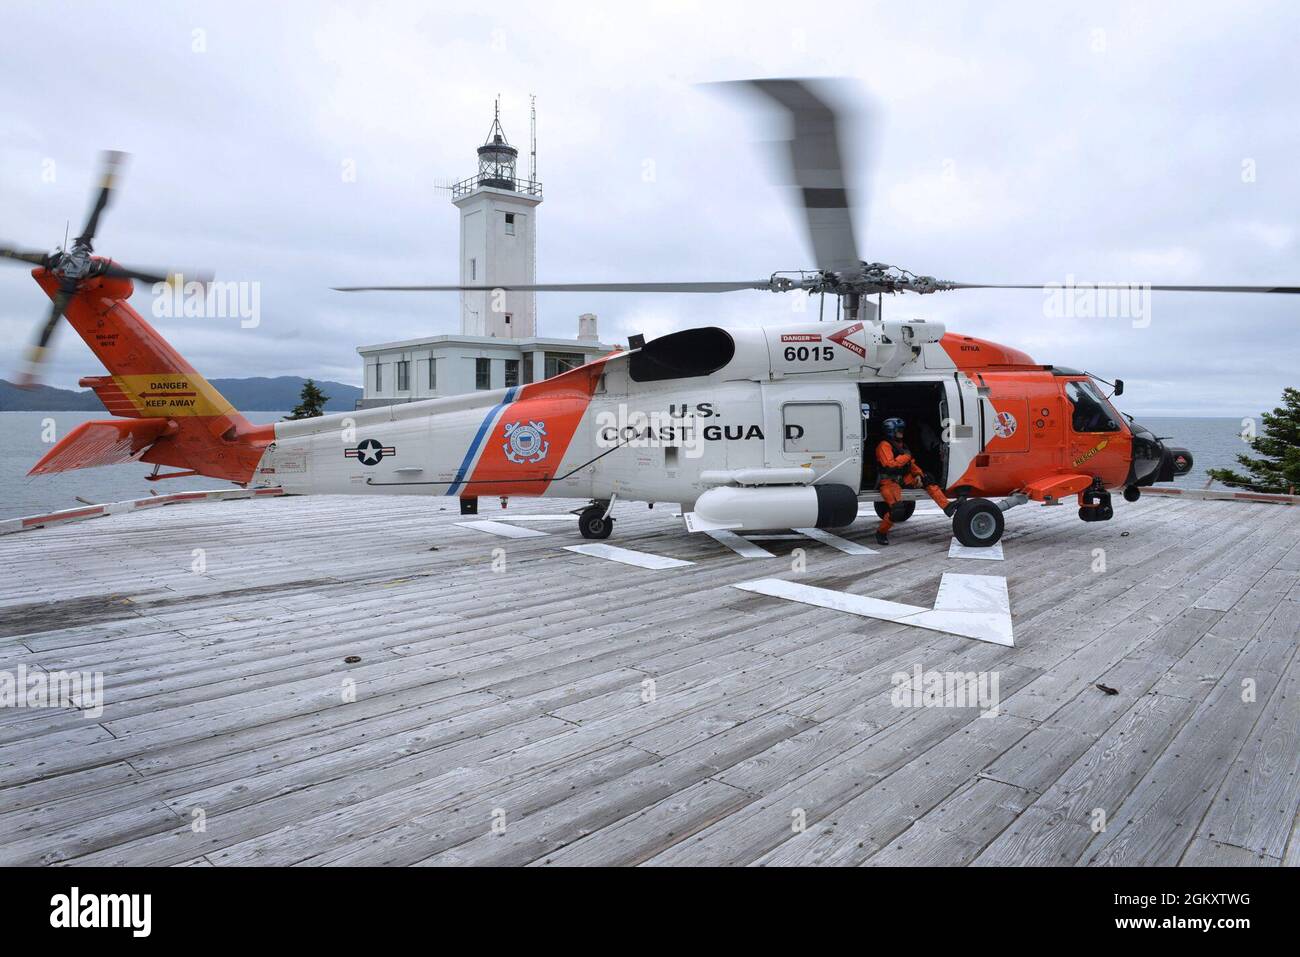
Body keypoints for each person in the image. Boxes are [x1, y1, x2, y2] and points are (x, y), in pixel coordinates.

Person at [875, 416, 957, 545]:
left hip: (903, 479)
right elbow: (889, 465)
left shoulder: (901, 445)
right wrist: (905, 457)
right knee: (896, 510)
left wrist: (918, 475)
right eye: (899, 430)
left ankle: (946, 506)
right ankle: (881, 532)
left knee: (927, 479)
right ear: (890, 431)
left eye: (902, 429)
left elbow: (911, 464)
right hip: (889, 482)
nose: (901, 432)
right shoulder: (884, 446)